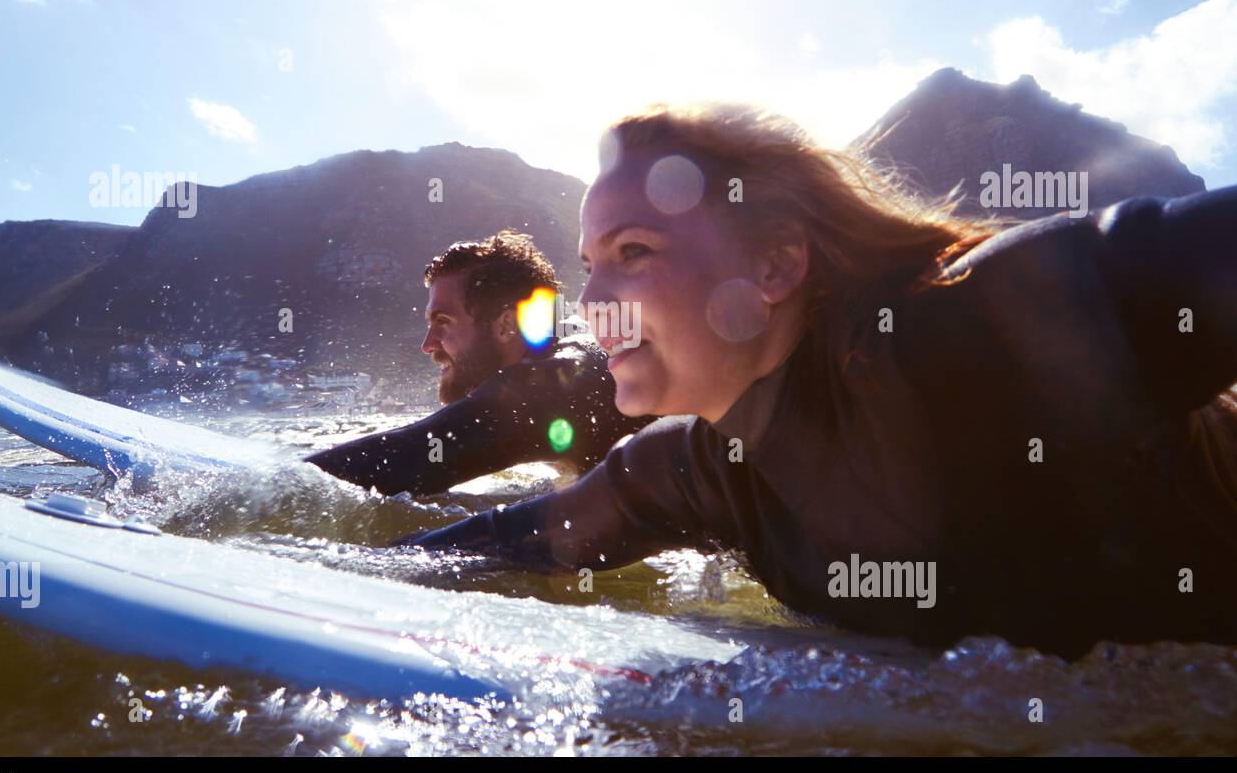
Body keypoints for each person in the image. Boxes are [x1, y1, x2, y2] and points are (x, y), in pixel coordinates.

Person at [394, 102, 1237, 659]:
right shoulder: (698, 469)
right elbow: (502, 543)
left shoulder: (987, 322)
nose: (593, 301)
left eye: (634, 253)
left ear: (776, 262)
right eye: (589, 265)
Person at [306, 230, 650, 494]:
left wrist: (267, 494)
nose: (428, 345)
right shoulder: (571, 346)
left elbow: (405, 457)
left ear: (505, 326)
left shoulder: (549, 386)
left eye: (443, 322)